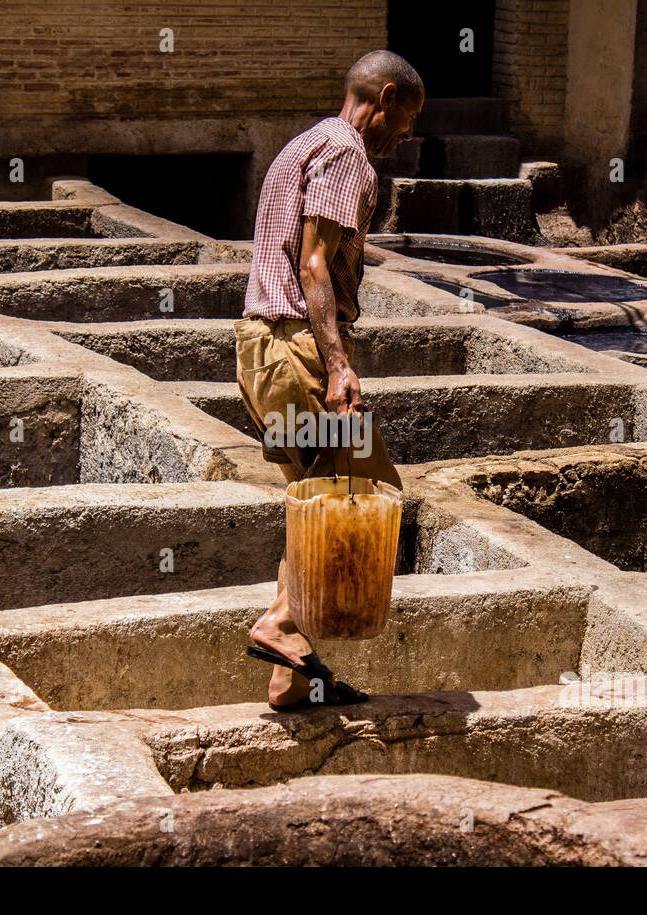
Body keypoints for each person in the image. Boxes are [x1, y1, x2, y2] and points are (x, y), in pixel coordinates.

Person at [235, 50, 424, 710]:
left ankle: (292, 675)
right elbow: (314, 265)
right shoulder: (347, 154)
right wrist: (339, 364)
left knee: (314, 496)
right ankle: (281, 626)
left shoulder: (305, 143)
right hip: (298, 352)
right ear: (385, 98)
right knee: (363, 492)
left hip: (261, 346)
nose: (403, 136)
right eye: (405, 121)